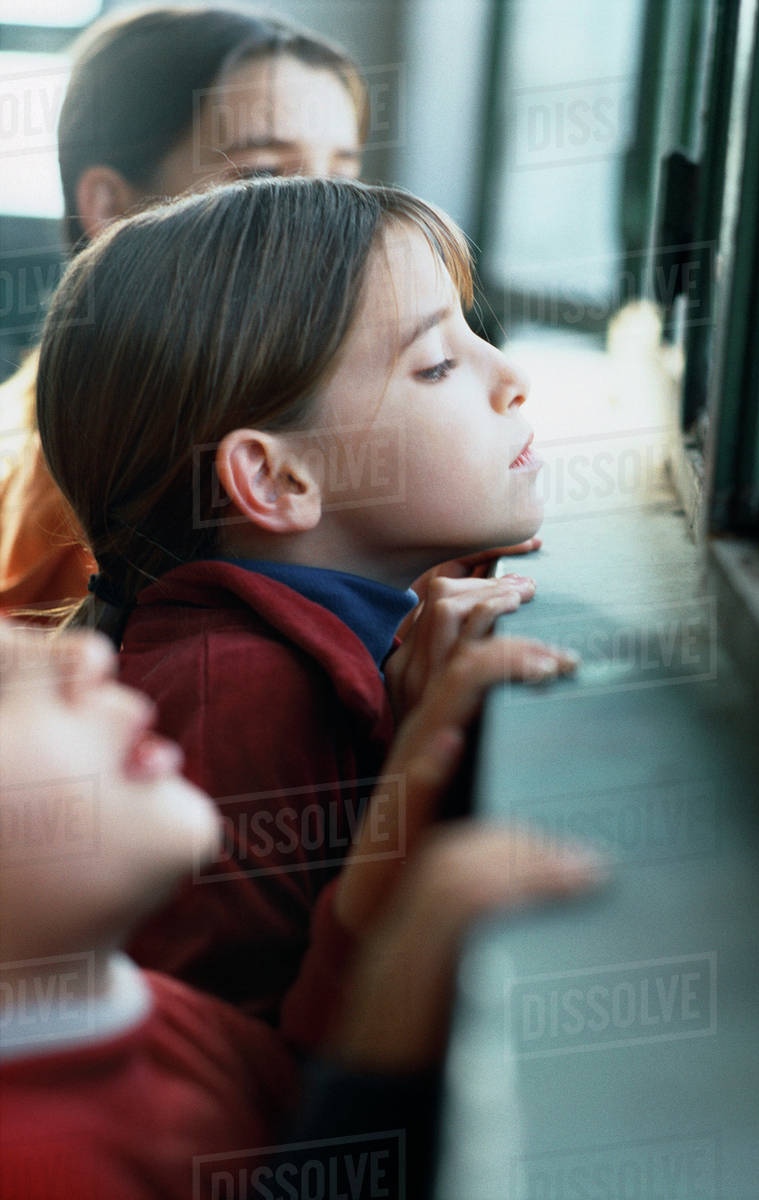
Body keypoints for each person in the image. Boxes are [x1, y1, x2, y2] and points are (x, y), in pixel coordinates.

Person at [35, 175, 575, 1023]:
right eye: (436, 364)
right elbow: (244, 1066)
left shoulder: (288, 637)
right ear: (277, 478)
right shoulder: (234, 698)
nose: (510, 376)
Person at [0, 619, 606, 1198]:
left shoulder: (123, 1002)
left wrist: (411, 784)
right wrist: (385, 1052)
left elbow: (289, 1104)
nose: (87, 652)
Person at [0, 3, 367, 620]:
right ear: (114, 207)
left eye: (343, 177)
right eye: (264, 177)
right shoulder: (82, 480)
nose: (333, 225)